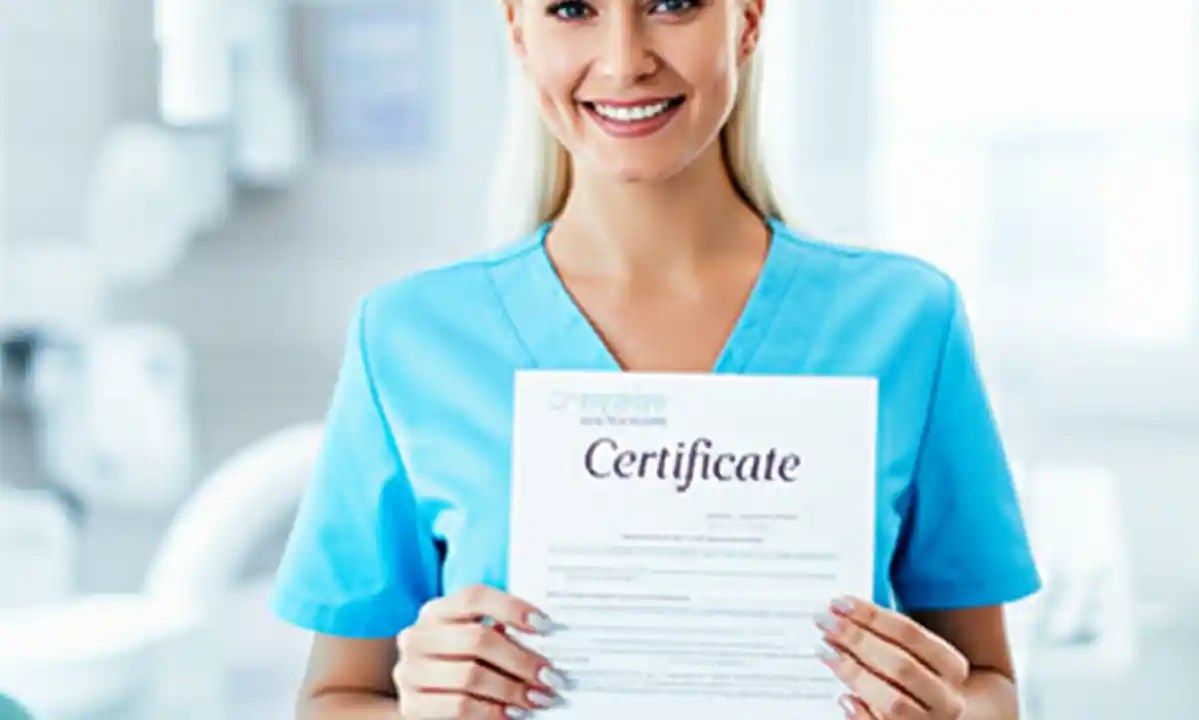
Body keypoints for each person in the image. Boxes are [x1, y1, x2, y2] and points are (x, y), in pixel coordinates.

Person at [269, 1, 1042, 718]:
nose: (623, 59)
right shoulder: (409, 337)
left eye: (672, 3)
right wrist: (420, 708)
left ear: (747, 20)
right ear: (517, 29)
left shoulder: (906, 322)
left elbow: (991, 685)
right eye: (573, 9)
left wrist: (939, 710)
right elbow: (334, 697)